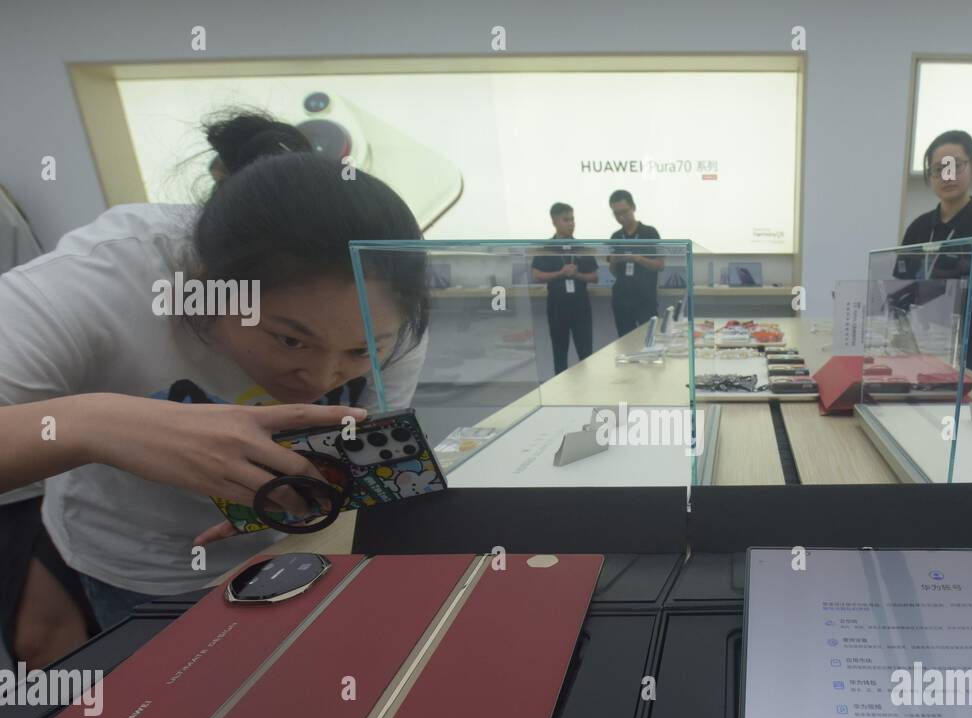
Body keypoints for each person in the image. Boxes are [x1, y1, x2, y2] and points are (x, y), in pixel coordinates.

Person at [0, 111, 429, 667]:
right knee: (161, 695)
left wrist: (316, 495)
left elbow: (366, 456)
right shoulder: (99, 282)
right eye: (290, 340)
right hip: (136, 562)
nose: (324, 378)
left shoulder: (388, 305)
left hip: (297, 549)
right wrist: (96, 424)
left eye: (356, 353)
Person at [897, 131, 972, 374]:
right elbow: (900, 290)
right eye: (938, 168)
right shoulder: (919, 227)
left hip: (961, 353)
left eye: (955, 165)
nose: (947, 175)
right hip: (916, 350)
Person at [531, 203, 597, 374]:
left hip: (581, 308)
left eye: (572, 219)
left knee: (586, 355)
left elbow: (595, 277)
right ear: (554, 221)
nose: (571, 224)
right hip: (557, 308)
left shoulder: (582, 247)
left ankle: (588, 392)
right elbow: (537, 275)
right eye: (565, 220)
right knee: (559, 354)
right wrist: (561, 273)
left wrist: (577, 276)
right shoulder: (546, 248)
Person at [607, 189, 663, 336]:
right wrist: (614, 261)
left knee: (650, 341)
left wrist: (638, 259)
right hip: (622, 300)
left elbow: (660, 265)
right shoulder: (616, 236)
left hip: (645, 299)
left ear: (633, 207)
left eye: (625, 211)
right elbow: (613, 271)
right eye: (617, 213)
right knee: (625, 345)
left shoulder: (649, 232)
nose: (622, 217)